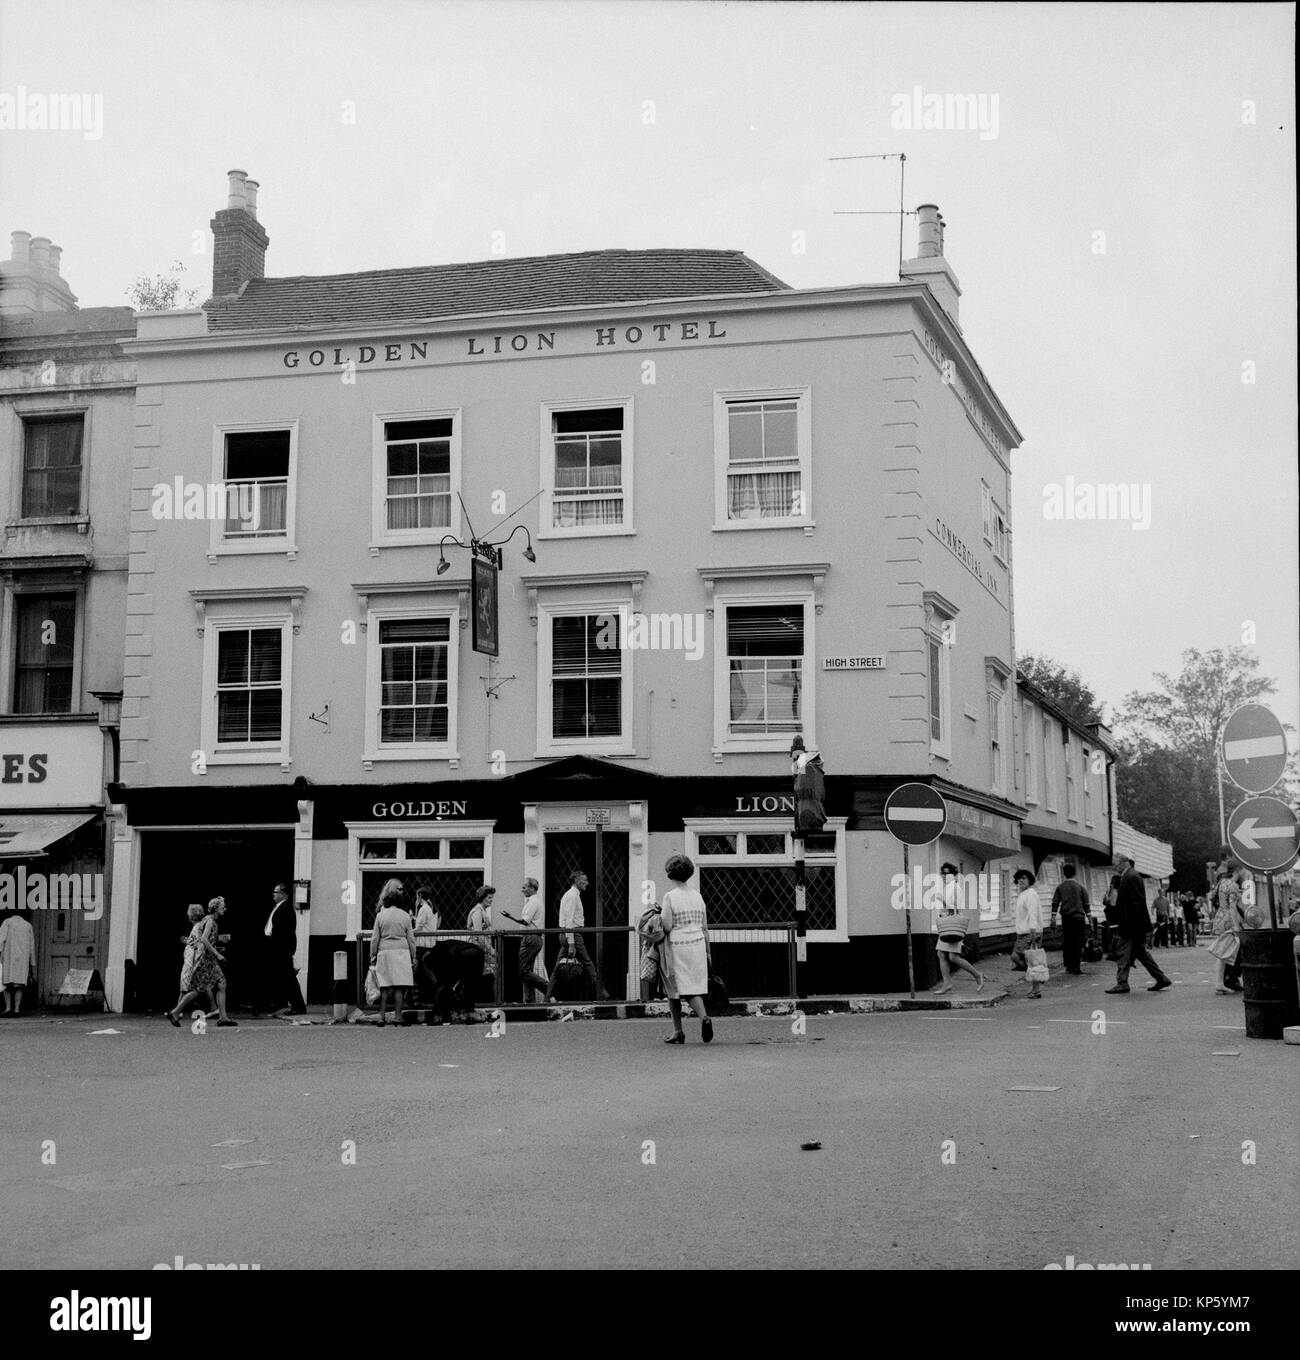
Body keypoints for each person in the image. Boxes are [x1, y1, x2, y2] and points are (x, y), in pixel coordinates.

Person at [659, 853, 713, 1043]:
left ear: (670, 873)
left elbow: (666, 926)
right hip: (697, 943)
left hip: (678, 946)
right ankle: (697, 1021)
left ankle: (685, 1027)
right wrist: (708, 952)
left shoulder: (670, 897)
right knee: (693, 985)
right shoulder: (697, 896)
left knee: (675, 989)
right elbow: (705, 927)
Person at [1105, 853, 1172, 994]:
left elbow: (1136, 902)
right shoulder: (1130, 876)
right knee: (1142, 954)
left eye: (1116, 863)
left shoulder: (1131, 877)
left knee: (1123, 953)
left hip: (1130, 923)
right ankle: (1161, 978)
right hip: (1134, 923)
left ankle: (1122, 983)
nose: (1114, 866)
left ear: (1124, 862)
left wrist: (1127, 922)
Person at [169, 897, 236, 1026]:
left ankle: (223, 1017)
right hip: (206, 960)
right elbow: (204, 940)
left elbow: (204, 940)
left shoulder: (208, 920)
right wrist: (217, 954)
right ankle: (175, 1012)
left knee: (221, 983)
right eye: (223, 907)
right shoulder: (210, 921)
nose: (225, 909)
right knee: (198, 989)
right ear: (216, 908)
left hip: (208, 958)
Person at [547, 871, 608, 1002]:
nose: (587, 883)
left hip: (567, 934)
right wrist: (572, 943)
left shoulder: (571, 895)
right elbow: (569, 921)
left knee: (557, 967)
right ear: (576, 881)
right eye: (584, 880)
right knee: (588, 963)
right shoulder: (573, 896)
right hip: (573, 934)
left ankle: (547, 997)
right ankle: (603, 995)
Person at [931, 862, 985, 994]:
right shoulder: (948, 887)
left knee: (953, 957)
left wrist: (942, 899)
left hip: (953, 925)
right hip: (947, 925)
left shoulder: (955, 888)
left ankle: (977, 975)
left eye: (947, 873)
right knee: (942, 954)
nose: (944, 876)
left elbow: (956, 908)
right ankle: (947, 983)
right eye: (943, 873)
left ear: (954, 876)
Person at [369, 878, 416, 1027]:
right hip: (401, 952)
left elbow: (375, 938)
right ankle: (398, 1016)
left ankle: (381, 1017)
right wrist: (413, 956)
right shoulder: (405, 916)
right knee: (399, 986)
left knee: (384, 986)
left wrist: (373, 954)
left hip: (384, 951)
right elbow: (411, 938)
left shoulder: (380, 916)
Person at [499, 878, 549, 1002]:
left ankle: (549, 988)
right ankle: (529, 1000)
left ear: (532, 888)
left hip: (530, 937)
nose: (522, 890)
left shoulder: (532, 902)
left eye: (524, 887)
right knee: (527, 970)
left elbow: (525, 921)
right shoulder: (535, 902)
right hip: (534, 937)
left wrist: (510, 916)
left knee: (524, 971)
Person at [263, 882, 306, 1016]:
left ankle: (298, 1006)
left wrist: (281, 949)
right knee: (284, 977)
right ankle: (284, 1004)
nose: (273, 895)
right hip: (278, 948)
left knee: (288, 978)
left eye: (275, 893)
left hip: (281, 949)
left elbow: (284, 932)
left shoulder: (286, 908)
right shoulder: (280, 907)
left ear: (282, 894)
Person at [167, 904, 215, 1022]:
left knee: (192, 985)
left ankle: (177, 1011)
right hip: (193, 959)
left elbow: (198, 944)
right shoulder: (199, 926)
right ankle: (178, 1011)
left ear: (191, 916)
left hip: (192, 960)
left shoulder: (197, 927)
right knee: (197, 985)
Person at [1210, 864, 1250, 994]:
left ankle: (1222, 982)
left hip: (1220, 917)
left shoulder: (1222, 882)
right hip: (1229, 920)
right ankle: (1221, 983)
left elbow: (1212, 897)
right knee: (1223, 954)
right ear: (1237, 871)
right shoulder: (1233, 885)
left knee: (1223, 953)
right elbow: (1232, 907)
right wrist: (1236, 926)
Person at [1051, 862, 1092, 974]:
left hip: (1067, 918)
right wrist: (1090, 920)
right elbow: (1086, 905)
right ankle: (1077, 966)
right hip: (1079, 918)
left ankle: (1069, 965)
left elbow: (1055, 902)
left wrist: (1053, 917)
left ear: (1064, 874)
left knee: (1068, 941)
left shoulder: (1060, 887)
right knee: (1078, 942)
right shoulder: (1081, 887)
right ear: (1075, 874)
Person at [1010, 868, 1045, 998]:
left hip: (1031, 932)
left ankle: (1036, 987)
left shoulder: (1030, 894)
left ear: (1030, 880)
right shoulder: (1023, 894)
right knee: (1021, 958)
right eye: (1019, 878)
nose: (1021, 881)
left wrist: (1033, 931)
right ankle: (1037, 979)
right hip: (1023, 933)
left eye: (1024, 878)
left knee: (1028, 960)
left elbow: (1032, 912)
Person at [0, 910, 36, 1015]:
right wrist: (32, 963)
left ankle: (7, 1008)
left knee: (6, 984)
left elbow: (0, 940)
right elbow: (31, 946)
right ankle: (16, 1009)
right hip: (22, 960)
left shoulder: (7, 922)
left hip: (8, 957)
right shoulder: (28, 925)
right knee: (19, 985)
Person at [467, 885, 498, 1001]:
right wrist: (491, 950)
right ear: (482, 897)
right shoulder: (477, 912)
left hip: (483, 947)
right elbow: (478, 933)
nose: (491, 900)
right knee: (483, 976)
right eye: (489, 898)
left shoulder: (482, 911)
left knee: (487, 976)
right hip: (479, 949)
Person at [413, 888, 441, 1003]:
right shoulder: (430, 908)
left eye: (417, 896)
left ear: (420, 895)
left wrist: (407, 932)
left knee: (423, 972)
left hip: (422, 944)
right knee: (425, 972)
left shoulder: (424, 909)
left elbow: (419, 928)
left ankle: (429, 997)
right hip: (429, 944)